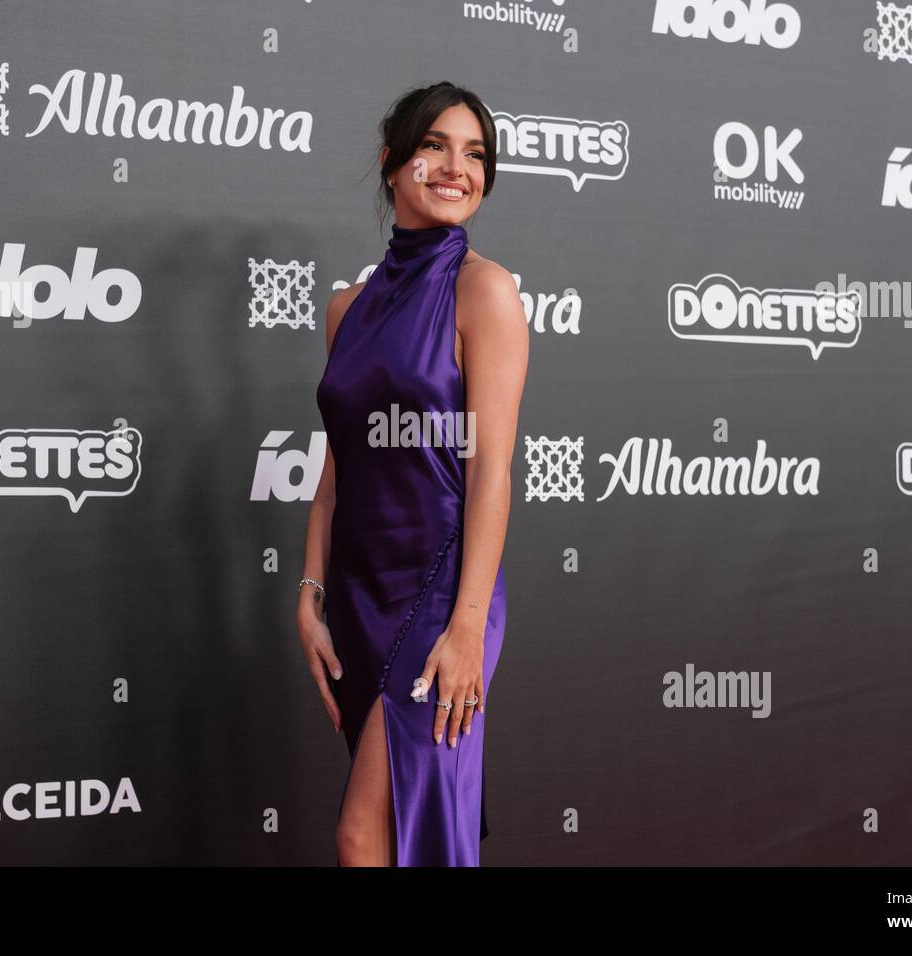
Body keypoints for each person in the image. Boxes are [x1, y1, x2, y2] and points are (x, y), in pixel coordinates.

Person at [297, 81, 529, 866]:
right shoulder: (345, 310)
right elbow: (336, 475)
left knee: (364, 834)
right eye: (435, 145)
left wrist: (467, 628)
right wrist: (310, 592)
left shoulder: (485, 293)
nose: (457, 168)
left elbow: (493, 468)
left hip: (442, 594)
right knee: (399, 834)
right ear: (394, 161)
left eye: (476, 154)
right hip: (359, 595)